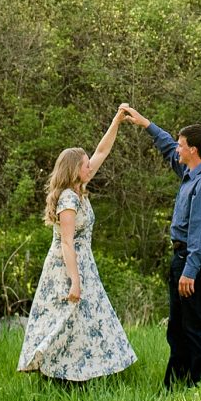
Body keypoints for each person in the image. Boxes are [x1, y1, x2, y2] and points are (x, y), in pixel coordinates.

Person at [15, 107, 138, 383]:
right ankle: (55, 374)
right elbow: (67, 244)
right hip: (67, 266)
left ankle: (79, 374)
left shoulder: (78, 191)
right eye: (85, 165)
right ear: (74, 170)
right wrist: (75, 281)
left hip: (83, 263)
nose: (89, 167)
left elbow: (102, 152)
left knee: (85, 319)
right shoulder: (68, 200)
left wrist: (116, 121)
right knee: (65, 318)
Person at [119, 104, 201, 388]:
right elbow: (166, 148)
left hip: (194, 261)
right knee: (177, 330)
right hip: (183, 258)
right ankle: (176, 386)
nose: (177, 147)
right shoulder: (190, 173)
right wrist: (144, 124)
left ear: (194, 151)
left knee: (196, 328)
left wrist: (189, 270)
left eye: (182, 144)